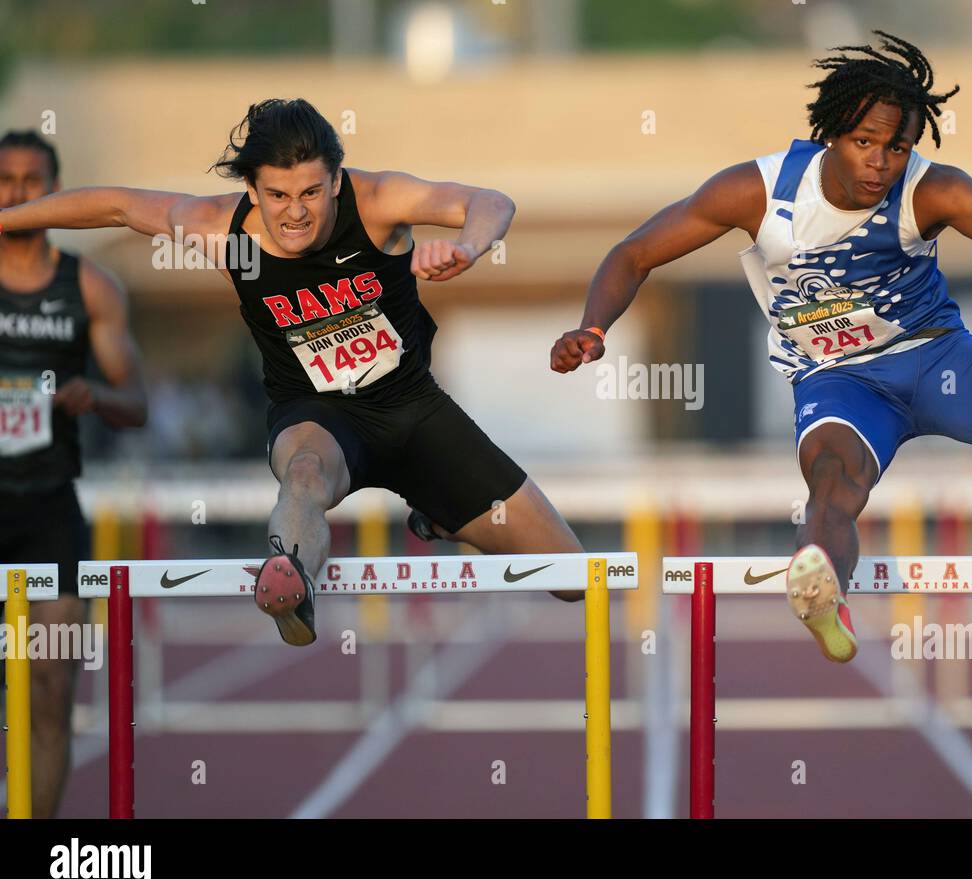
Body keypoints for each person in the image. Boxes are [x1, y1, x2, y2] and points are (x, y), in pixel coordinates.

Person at [551, 32, 972, 663]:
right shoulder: (758, 192)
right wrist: (594, 327)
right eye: (864, 143)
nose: (880, 162)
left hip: (939, 360)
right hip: (837, 379)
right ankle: (821, 588)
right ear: (832, 135)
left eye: (897, 147)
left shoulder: (932, 190)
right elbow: (633, 254)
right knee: (833, 481)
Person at [0, 99, 584, 648]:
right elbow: (117, 205)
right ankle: (291, 585)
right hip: (317, 417)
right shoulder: (222, 231)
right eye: (277, 195)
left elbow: (489, 200)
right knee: (303, 474)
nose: (295, 212)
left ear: (336, 180)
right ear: (251, 189)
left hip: (416, 411)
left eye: (311, 191)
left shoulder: (378, 202)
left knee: (572, 576)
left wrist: (468, 247)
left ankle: (441, 517)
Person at [0, 130, 148, 816]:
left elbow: (137, 404)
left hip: (49, 512)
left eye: (33, 180)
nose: (17, 192)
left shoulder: (90, 285)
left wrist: (96, 397)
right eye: (5, 178)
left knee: (50, 694)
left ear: (55, 193)